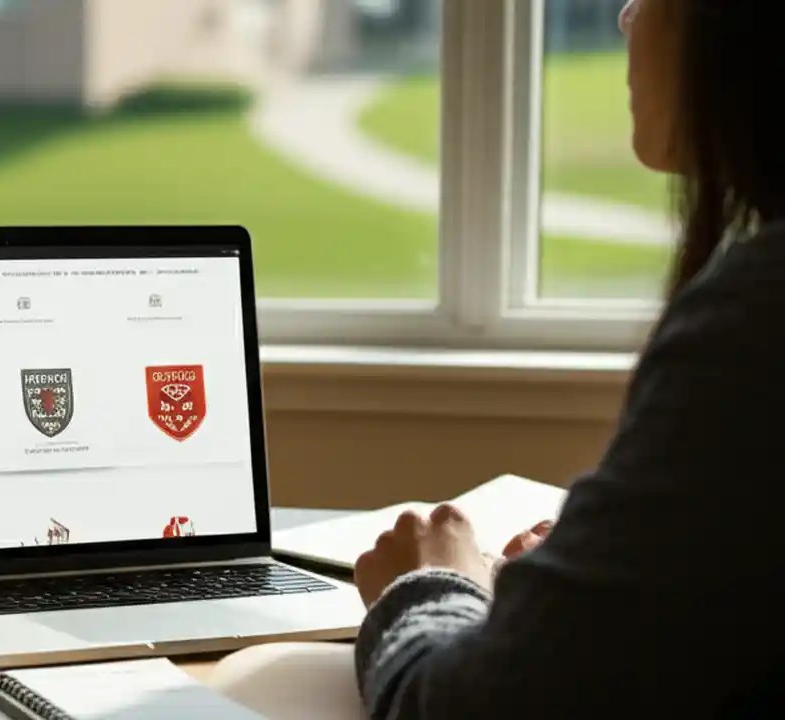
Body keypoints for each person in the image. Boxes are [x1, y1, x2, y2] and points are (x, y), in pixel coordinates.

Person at [215, 1, 783, 717]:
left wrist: (427, 584)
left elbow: (461, 707)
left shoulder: (750, 328)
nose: (627, 16)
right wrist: (606, 558)